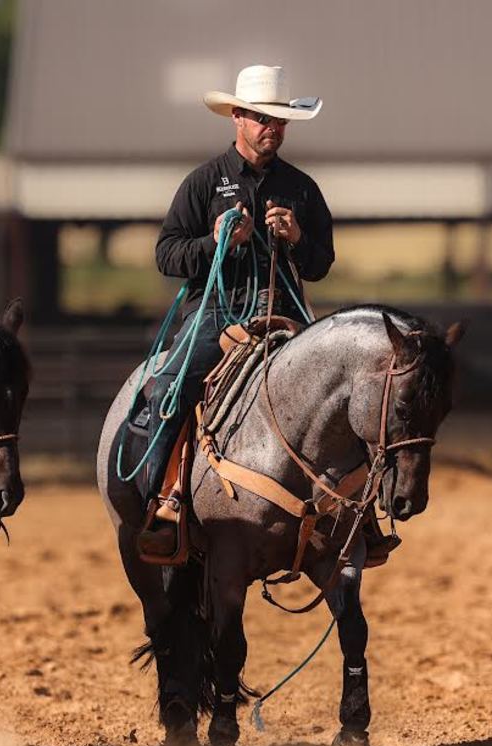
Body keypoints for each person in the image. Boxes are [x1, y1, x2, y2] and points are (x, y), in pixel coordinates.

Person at [138, 65, 335, 555]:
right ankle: (162, 500)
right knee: (170, 387)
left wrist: (298, 238)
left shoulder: (303, 189)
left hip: (287, 311)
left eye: (281, 121)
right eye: (264, 118)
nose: (274, 128)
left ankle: (350, 512)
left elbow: (322, 264)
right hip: (217, 313)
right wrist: (216, 242)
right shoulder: (203, 183)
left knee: (342, 389)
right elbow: (167, 254)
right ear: (238, 118)